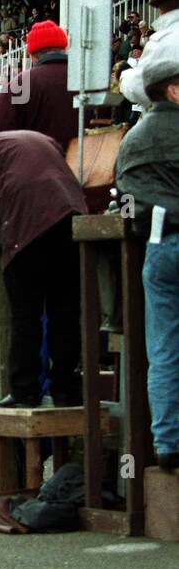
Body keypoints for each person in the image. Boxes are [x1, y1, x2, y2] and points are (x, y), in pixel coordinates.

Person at [0, 131, 87, 408]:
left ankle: (24, 391)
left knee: (25, 315)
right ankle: (66, 389)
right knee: (65, 310)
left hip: (25, 230)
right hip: (72, 218)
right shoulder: (41, 139)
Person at [115, 30, 179, 471]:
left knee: (164, 348)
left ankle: (168, 443)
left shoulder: (132, 140)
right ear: (173, 89)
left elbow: (127, 201)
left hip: (157, 248)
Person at [0, 20, 76, 151]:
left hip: (35, 166)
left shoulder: (21, 83)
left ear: (32, 56)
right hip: (88, 166)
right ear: (65, 49)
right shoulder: (88, 81)